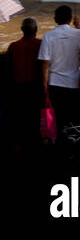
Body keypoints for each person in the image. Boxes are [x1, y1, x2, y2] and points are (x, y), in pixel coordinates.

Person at [38, 5, 80, 132]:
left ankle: (58, 146)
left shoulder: (48, 36)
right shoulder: (78, 33)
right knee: (73, 119)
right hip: (74, 83)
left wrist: (45, 85)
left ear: (55, 19)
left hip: (55, 84)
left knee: (57, 119)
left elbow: (45, 63)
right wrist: (78, 26)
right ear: (70, 18)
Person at [6, 17, 43, 156]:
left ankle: (20, 147)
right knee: (34, 119)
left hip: (18, 88)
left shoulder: (14, 46)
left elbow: (8, 70)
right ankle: (35, 147)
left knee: (20, 119)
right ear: (36, 30)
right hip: (35, 88)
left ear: (22, 30)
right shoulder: (41, 44)